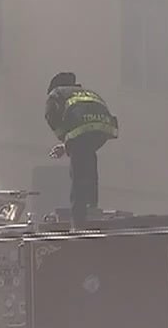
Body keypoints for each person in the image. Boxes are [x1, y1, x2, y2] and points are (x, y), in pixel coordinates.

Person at [44, 72, 118, 228]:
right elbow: (86, 122)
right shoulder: (86, 92)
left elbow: (51, 116)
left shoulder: (56, 93)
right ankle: (92, 205)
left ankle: (78, 221)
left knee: (78, 172)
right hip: (104, 129)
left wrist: (64, 138)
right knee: (89, 162)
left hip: (82, 130)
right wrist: (67, 146)